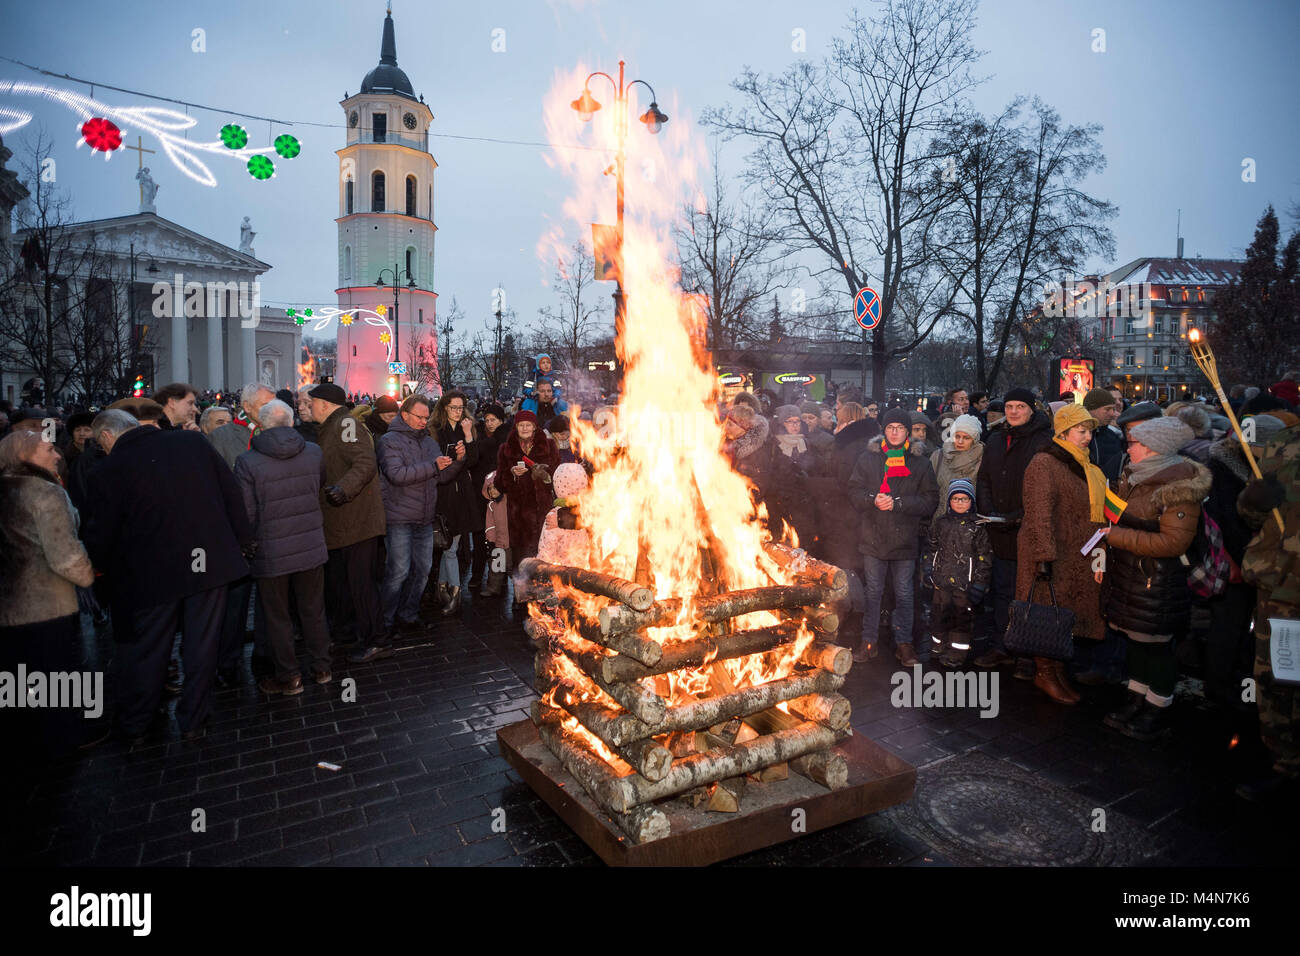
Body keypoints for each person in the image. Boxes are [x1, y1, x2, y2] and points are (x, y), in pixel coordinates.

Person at [83, 408, 253, 743]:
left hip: (150, 575)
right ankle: (194, 718)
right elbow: (232, 493)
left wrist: (98, 568)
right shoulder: (192, 443)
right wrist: (243, 541)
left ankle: (137, 723)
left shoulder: (109, 468)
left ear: (107, 436)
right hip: (208, 564)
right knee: (202, 644)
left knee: (150, 648)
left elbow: (102, 532)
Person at [1101, 416, 1209, 739]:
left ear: (1151, 449)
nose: (1127, 448)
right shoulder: (1136, 476)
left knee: (1156, 645)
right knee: (1135, 639)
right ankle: (1137, 698)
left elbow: (1173, 542)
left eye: (1132, 443)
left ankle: (1158, 706)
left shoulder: (1178, 486)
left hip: (1158, 583)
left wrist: (1116, 537)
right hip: (1132, 576)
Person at [0, 430, 98, 757]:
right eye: (47, 449)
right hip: (46, 601)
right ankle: (64, 736)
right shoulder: (44, 493)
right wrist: (87, 575)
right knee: (56, 669)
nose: (57, 455)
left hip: (10, 601)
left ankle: (25, 734)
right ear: (26, 456)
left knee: (21, 671)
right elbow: (65, 554)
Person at [234, 400, 332, 695]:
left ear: (261, 425)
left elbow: (247, 513)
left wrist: (248, 543)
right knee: (314, 610)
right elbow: (319, 488)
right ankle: (322, 668)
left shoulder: (247, 461)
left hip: (271, 550)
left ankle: (289, 677)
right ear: (290, 422)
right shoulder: (313, 453)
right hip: (311, 544)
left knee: (277, 616)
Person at [1016, 403, 1108, 704]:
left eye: (1090, 432)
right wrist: (1043, 557)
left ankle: (1056, 671)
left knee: (1062, 615)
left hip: (1075, 555)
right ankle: (1044, 673)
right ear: (1063, 433)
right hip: (1049, 556)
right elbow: (1038, 513)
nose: (1087, 438)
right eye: (1081, 431)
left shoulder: (1085, 466)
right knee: (1046, 613)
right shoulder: (1044, 463)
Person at [1235, 420, 1300, 799]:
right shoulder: (1285, 441)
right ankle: (1286, 763)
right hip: (1278, 585)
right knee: (1276, 678)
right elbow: (1251, 514)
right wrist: (1254, 501)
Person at [847, 407, 939, 664]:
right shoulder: (868, 459)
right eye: (890, 428)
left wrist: (898, 503)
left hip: (904, 539)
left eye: (900, 428)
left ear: (908, 432)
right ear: (883, 431)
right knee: (873, 591)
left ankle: (904, 644)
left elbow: (930, 500)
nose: (895, 432)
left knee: (904, 593)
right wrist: (871, 499)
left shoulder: (920, 462)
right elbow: (853, 491)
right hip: (873, 537)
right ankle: (869, 642)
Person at [973, 387, 1054, 673]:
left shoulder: (1043, 440)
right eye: (1010, 406)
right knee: (1002, 590)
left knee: (1028, 593)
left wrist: (1017, 516)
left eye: (1020, 406)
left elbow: (1044, 488)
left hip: (1026, 528)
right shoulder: (996, 439)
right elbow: (983, 478)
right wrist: (990, 510)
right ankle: (1001, 645)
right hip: (997, 528)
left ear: (1032, 409)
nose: (1014, 411)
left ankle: (1026, 652)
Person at [310, 383, 389, 664]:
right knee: (341, 584)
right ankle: (345, 634)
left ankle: (375, 639)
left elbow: (365, 463)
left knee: (361, 585)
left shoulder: (345, 424)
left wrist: (343, 489)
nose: (306, 408)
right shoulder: (330, 426)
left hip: (358, 522)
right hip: (341, 523)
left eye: (310, 403)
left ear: (323, 403)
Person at [373, 393, 458, 636]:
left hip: (425, 517)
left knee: (422, 571)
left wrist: (456, 462)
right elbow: (396, 474)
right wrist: (433, 467)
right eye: (419, 417)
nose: (424, 421)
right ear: (405, 415)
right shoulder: (389, 440)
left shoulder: (429, 441)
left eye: (426, 417)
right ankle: (385, 622)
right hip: (399, 517)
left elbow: (441, 476)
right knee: (398, 571)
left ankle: (408, 615)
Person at [925, 478, 992, 667]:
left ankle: (957, 651)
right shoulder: (940, 523)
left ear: (971, 501)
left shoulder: (977, 528)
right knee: (939, 613)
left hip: (965, 584)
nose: (959, 503)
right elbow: (931, 548)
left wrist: (980, 583)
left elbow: (984, 558)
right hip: (941, 580)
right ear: (949, 502)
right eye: (955, 499)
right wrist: (928, 569)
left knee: (961, 618)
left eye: (964, 499)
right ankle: (938, 645)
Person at [723, 402, 808, 542]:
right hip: (737, 511)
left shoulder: (758, 452)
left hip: (757, 516)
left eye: (731, 424)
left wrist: (736, 502)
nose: (726, 428)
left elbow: (758, 485)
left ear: (743, 426)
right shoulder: (730, 447)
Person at [430, 390, 480, 615]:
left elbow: (474, 460)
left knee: (452, 545)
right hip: (443, 492)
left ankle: (450, 590)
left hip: (462, 494)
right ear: (444, 407)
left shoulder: (465, 427)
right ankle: (449, 590)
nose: (458, 412)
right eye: (453, 408)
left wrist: (468, 436)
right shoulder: (435, 430)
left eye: (461, 408)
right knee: (448, 544)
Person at [494, 409, 561, 572]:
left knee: (542, 555)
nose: (524, 428)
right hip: (518, 514)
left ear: (534, 427)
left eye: (528, 425)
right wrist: (511, 474)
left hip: (541, 511)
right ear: (515, 427)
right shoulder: (505, 449)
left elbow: (558, 477)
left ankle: (541, 593)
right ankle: (521, 594)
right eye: (521, 425)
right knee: (521, 559)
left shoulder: (549, 446)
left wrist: (544, 475)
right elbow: (499, 484)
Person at [470, 402, 509, 590]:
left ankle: (497, 582)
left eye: (494, 420)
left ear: (501, 420)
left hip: (499, 494)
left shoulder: (507, 439)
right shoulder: (478, 436)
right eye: (487, 420)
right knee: (480, 534)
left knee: (498, 538)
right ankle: (477, 574)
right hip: (480, 492)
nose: (490, 423)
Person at [929, 414, 984, 520]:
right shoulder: (939, 456)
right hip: (939, 521)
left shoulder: (982, 459)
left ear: (974, 439)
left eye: (966, 438)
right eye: (957, 436)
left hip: (969, 524)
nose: (960, 441)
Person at [210, 383, 274, 469]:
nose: (272, 410)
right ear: (247, 407)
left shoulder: (280, 432)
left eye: (274, 405)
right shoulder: (220, 437)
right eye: (266, 406)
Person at [1082, 387, 1124, 479]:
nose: (1112, 414)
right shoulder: (1078, 436)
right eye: (1107, 409)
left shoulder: (1113, 436)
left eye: (1113, 409)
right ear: (1092, 409)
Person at [481, 469, 510, 596]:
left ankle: (520, 595)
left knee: (513, 569)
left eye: (495, 488)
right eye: (490, 489)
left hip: (511, 543)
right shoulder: (491, 505)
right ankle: (493, 588)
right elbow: (490, 525)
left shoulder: (509, 502)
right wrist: (490, 540)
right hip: (498, 543)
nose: (492, 491)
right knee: (496, 567)